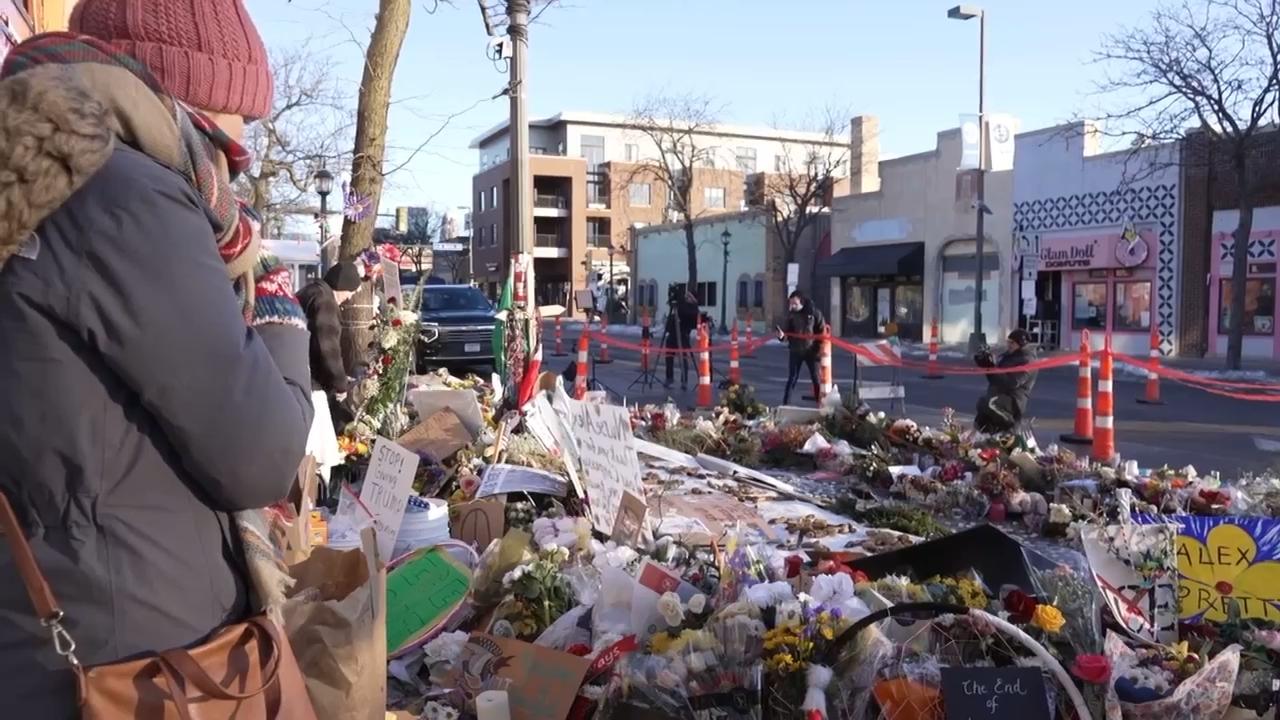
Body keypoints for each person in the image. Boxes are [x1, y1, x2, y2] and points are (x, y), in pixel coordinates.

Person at [0, 2, 313, 716]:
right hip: (142, 667)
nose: (241, 146)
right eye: (234, 116)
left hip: (43, 634)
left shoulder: (36, 179)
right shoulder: (121, 193)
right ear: (171, 90)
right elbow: (258, 454)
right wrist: (280, 320)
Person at [974, 329, 1039, 434]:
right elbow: (995, 379)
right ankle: (983, 436)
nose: (1009, 345)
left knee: (991, 404)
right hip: (998, 395)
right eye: (1008, 342)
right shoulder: (1007, 356)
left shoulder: (1027, 360)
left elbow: (1012, 382)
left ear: (1021, 344)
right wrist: (986, 365)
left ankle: (1012, 429)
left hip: (1013, 400)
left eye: (1012, 343)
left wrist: (993, 369)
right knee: (982, 408)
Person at [778, 291, 825, 405]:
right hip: (795, 350)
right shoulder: (791, 315)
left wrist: (817, 348)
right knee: (792, 378)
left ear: (802, 302)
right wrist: (782, 337)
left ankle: (820, 404)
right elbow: (787, 333)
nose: (792, 306)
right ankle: (786, 404)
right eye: (791, 303)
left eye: (795, 303)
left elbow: (822, 331)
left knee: (816, 379)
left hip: (811, 351)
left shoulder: (814, 313)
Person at [664, 288, 701, 389]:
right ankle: (669, 378)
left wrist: (679, 298)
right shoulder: (681, 306)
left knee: (683, 359)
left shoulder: (693, 308)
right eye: (686, 296)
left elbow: (685, 312)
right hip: (672, 335)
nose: (686, 298)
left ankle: (684, 380)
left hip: (683, 336)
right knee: (669, 357)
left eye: (689, 297)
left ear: (693, 299)